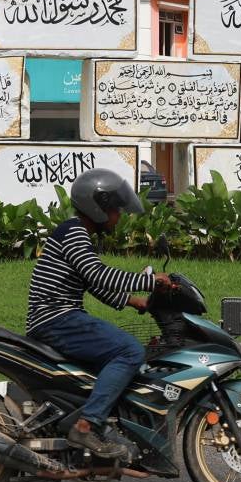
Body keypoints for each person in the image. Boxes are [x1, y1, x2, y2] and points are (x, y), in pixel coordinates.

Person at [25, 168, 170, 459]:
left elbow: (92, 284)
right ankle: (86, 426)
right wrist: (151, 281)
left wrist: (134, 301)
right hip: (56, 318)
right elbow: (98, 275)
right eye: (115, 209)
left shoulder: (76, 232)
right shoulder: (74, 231)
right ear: (99, 207)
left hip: (58, 316)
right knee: (129, 350)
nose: (119, 216)